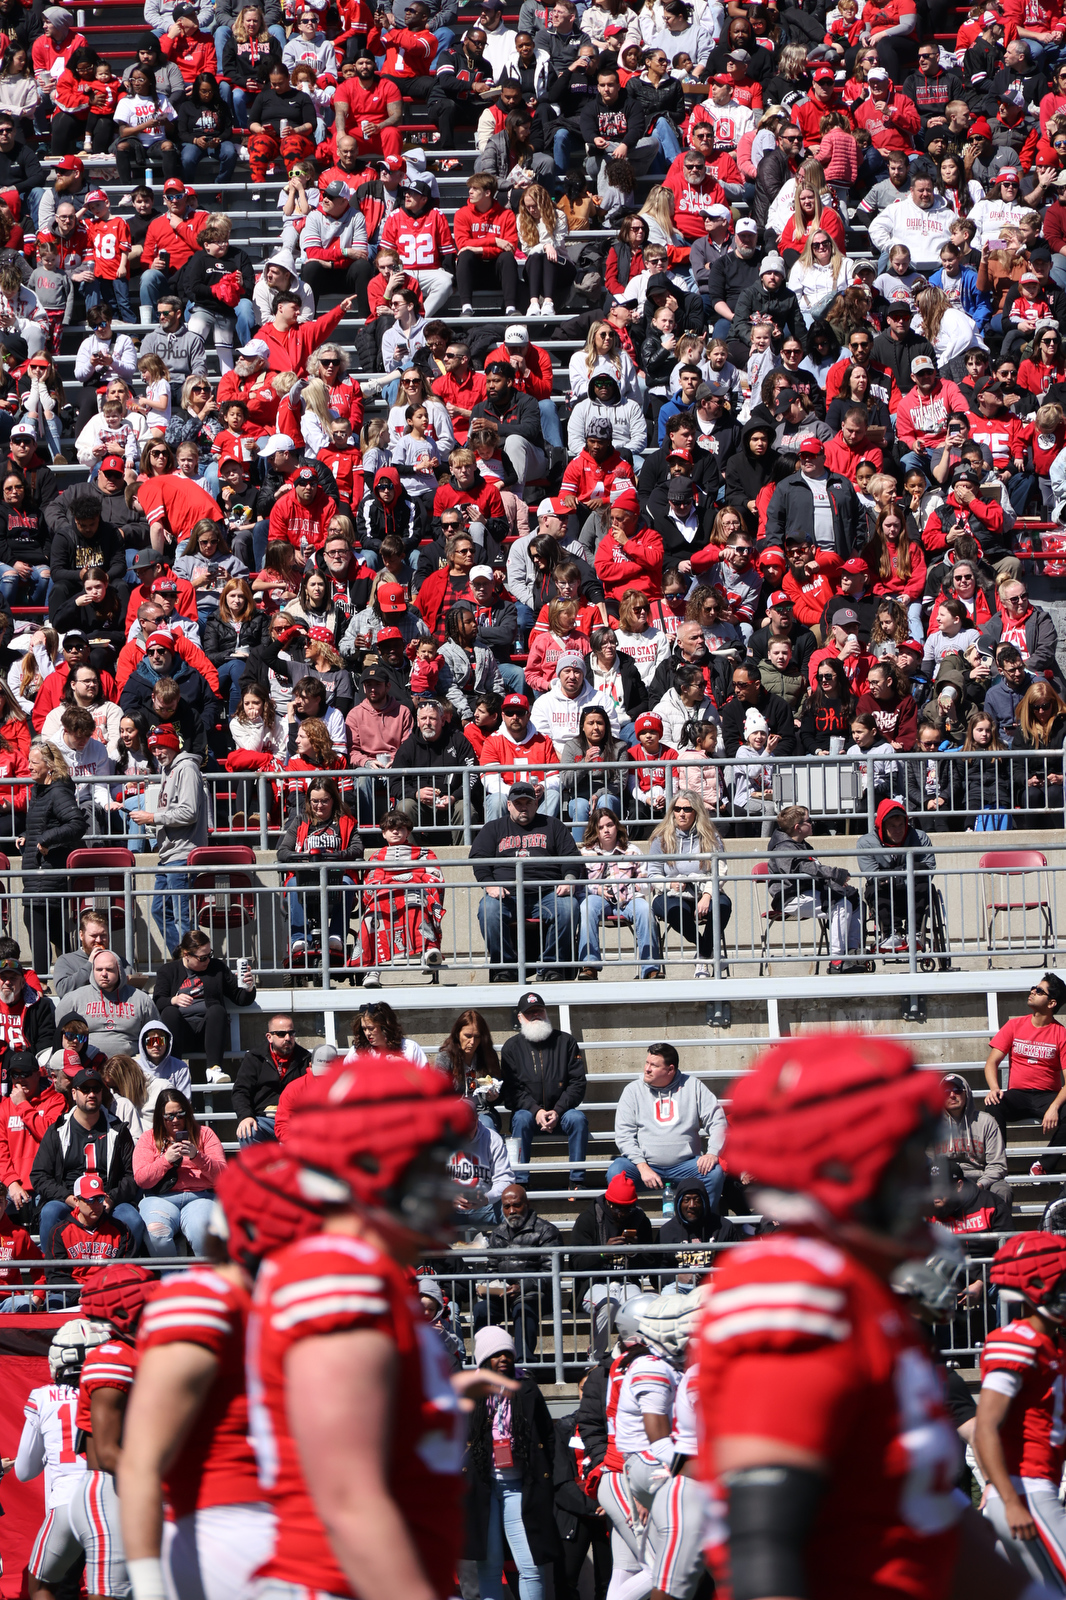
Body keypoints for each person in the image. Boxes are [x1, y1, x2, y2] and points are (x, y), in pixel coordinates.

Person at [117, 1145, 328, 1600]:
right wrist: (150, 1584)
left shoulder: (307, 1309)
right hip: (226, 1528)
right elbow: (141, 1462)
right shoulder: (203, 1304)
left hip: (297, 1528)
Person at [976, 1233, 1066, 1587]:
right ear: (1037, 1286)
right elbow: (986, 1427)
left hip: (1035, 1489)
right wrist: (1010, 1500)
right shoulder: (1016, 1341)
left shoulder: (1052, 1344)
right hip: (1025, 1493)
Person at [464, 1323, 561, 1599]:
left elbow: (547, 1436)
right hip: (483, 1486)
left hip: (520, 1485)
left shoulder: (527, 1388)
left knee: (530, 1565)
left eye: (507, 1353)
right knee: (489, 1565)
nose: (503, 1358)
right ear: (484, 1359)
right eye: (496, 1354)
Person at [470, 780, 586, 983]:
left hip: (547, 893)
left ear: (536, 803)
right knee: (488, 910)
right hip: (507, 894)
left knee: (569, 908)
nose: (523, 808)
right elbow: (479, 859)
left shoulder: (553, 825)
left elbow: (571, 857)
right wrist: (489, 884)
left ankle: (551, 967)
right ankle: (505, 968)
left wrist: (569, 880)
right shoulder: (493, 828)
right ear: (508, 805)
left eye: (528, 803)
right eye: (518, 803)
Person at [30, 1063, 148, 1256]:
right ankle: (55, 1273)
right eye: (85, 1089)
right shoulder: (58, 1130)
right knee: (50, 1212)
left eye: (96, 1089)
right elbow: (39, 1175)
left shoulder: (118, 1130)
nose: (91, 1094)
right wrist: (69, 1199)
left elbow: (131, 1175)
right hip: (69, 1198)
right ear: (74, 1093)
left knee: (131, 1219)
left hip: (108, 1198)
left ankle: (123, 1272)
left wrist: (110, 1199)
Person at [606, 1041, 727, 1210]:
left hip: (686, 1166)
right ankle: (629, 1222)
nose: (647, 1069)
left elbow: (718, 1121)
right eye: (647, 1063)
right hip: (645, 1166)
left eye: (654, 1065)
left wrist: (712, 1153)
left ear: (670, 1070)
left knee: (714, 1173)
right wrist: (642, 1166)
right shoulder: (632, 1091)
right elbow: (624, 1135)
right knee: (617, 1172)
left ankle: (703, 1223)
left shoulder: (693, 1086)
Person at [126, 722, 208, 958]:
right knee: (159, 911)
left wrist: (152, 817)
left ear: (173, 745)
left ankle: (194, 965)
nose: (157, 752)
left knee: (184, 918)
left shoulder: (187, 769)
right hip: (168, 855)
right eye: (153, 749)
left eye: (161, 747)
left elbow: (189, 812)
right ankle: (181, 959)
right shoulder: (167, 770)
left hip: (182, 855)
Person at [501, 991, 589, 1195]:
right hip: (529, 1114)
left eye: (539, 1010)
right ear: (520, 1017)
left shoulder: (566, 1042)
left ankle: (576, 1181)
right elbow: (511, 1090)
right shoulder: (511, 1047)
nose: (535, 1015)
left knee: (578, 1119)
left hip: (562, 1113)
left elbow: (577, 1083)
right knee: (521, 1119)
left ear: (546, 1012)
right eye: (529, 1012)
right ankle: (520, 1183)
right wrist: (536, 1111)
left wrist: (557, 1110)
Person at [985, 973, 1066, 1185]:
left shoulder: (1061, 1033)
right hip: (1018, 1095)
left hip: (1047, 1096)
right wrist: (994, 1088)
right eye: (1033, 987)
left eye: (1039, 990)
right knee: (994, 1105)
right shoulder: (1014, 1025)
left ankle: (1043, 1166)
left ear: (1052, 1003)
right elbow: (991, 1063)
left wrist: (1055, 1107)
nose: (1032, 991)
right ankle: (997, 1165)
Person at [766, 803, 864, 973]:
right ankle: (837, 960)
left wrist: (836, 884)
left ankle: (852, 952)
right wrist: (835, 874)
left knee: (854, 900)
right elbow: (804, 868)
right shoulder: (783, 848)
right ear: (798, 827)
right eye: (809, 821)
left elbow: (814, 872)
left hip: (808, 892)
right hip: (789, 897)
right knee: (840, 904)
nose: (813, 823)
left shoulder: (802, 844)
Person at [18, 740, 87, 977]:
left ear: (49, 765)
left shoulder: (57, 792)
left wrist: (47, 839)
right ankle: (77, 972)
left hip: (47, 873)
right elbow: (46, 824)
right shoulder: (40, 791)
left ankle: (40, 980)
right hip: (37, 871)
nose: (29, 767)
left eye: (34, 763)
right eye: (29, 762)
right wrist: (27, 836)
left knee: (36, 923)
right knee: (55, 929)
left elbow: (77, 824)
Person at [646, 792, 732, 983]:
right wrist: (670, 883)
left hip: (703, 889)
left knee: (723, 905)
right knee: (676, 910)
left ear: (696, 812)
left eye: (687, 809)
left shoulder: (710, 837)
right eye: (677, 809)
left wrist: (707, 895)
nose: (682, 813)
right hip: (671, 893)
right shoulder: (661, 838)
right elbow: (653, 874)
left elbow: (720, 869)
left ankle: (702, 956)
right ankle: (708, 952)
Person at [151, 929, 255, 1083]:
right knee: (169, 1012)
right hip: (181, 1034)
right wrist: (173, 1000)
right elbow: (158, 1001)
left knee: (217, 1010)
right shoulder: (168, 971)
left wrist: (249, 987)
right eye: (202, 958)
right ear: (186, 954)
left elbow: (240, 998)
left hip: (210, 1034)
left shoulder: (216, 967)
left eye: (209, 955)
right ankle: (171, 1070)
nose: (207, 961)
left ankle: (214, 1069)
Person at [569, 1172, 656, 1356]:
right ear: (608, 1202)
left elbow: (649, 1263)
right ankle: (595, 1359)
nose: (622, 1214)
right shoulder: (588, 1218)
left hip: (627, 1282)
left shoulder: (640, 1220)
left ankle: (627, 1356)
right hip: (595, 1283)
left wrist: (634, 1253)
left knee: (640, 1309)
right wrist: (602, 1253)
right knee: (609, 1305)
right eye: (618, 1209)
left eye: (628, 1209)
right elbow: (576, 1263)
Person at [131, 1085, 225, 1256]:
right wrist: (165, 1160)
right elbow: (141, 1179)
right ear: (160, 1117)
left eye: (180, 1114)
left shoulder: (205, 1134)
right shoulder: (148, 1138)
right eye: (169, 1116)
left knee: (202, 1233)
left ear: (187, 1113)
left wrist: (197, 1156)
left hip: (200, 1196)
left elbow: (223, 1176)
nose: (175, 1120)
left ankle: (203, 1272)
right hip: (160, 1197)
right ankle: (173, 1271)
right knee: (156, 1232)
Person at [473, 1184, 562, 1360]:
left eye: (516, 1205)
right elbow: (492, 1270)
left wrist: (522, 1287)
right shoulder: (497, 1234)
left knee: (522, 1307)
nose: (512, 1211)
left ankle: (524, 1364)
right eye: (506, 1207)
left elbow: (551, 1273)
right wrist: (491, 1288)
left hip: (535, 1295)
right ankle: (485, 1362)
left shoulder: (546, 1231)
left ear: (527, 1204)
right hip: (504, 1296)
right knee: (481, 1309)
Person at [856, 795, 938, 954]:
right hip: (885, 893)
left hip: (912, 892)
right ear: (882, 826)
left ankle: (914, 932)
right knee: (874, 887)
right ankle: (890, 933)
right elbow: (872, 874)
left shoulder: (920, 837)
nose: (898, 830)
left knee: (924, 883)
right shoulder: (865, 843)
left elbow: (929, 867)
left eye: (901, 824)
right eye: (892, 826)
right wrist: (907, 871)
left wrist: (894, 876)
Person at [0, 1048, 66, 1228]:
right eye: (15, 1074)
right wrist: (11, 1183)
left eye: (25, 1074)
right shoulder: (4, 1107)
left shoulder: (56, 1101)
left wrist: (23, 1105)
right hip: (13, 1188)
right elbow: (1, 1150)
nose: (20, 1079)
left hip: (45, 1188)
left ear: (38, 1074)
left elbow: (50, 1136)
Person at [55, 948, 159, 1059]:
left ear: (119, 970)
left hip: (130, 1062)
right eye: (99, 969)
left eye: (109, 969)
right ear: (93, 970)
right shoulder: (73, 999)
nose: (104, 974)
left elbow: (156, 1033)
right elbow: (59, 1034)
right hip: (86, 1063)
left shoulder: (141, 999)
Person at [232, 1011, 310, 1145]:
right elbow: (241, 1091)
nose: (287, 1038)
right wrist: (246, 1116)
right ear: (269, 1037)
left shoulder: (305, 1058)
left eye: (291, 1033)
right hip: (263, 1120)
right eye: (281, 1034)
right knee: (248, 1131)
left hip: (294, 1121)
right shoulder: (255, 1058)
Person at [53, 909, 129, 998]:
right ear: (81, 935)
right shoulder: (66, 961)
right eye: (94, 936)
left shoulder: (118, 960)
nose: (99, 940)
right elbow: (63, 991)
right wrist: (90, 964)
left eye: (103, 935)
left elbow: (135, 988)